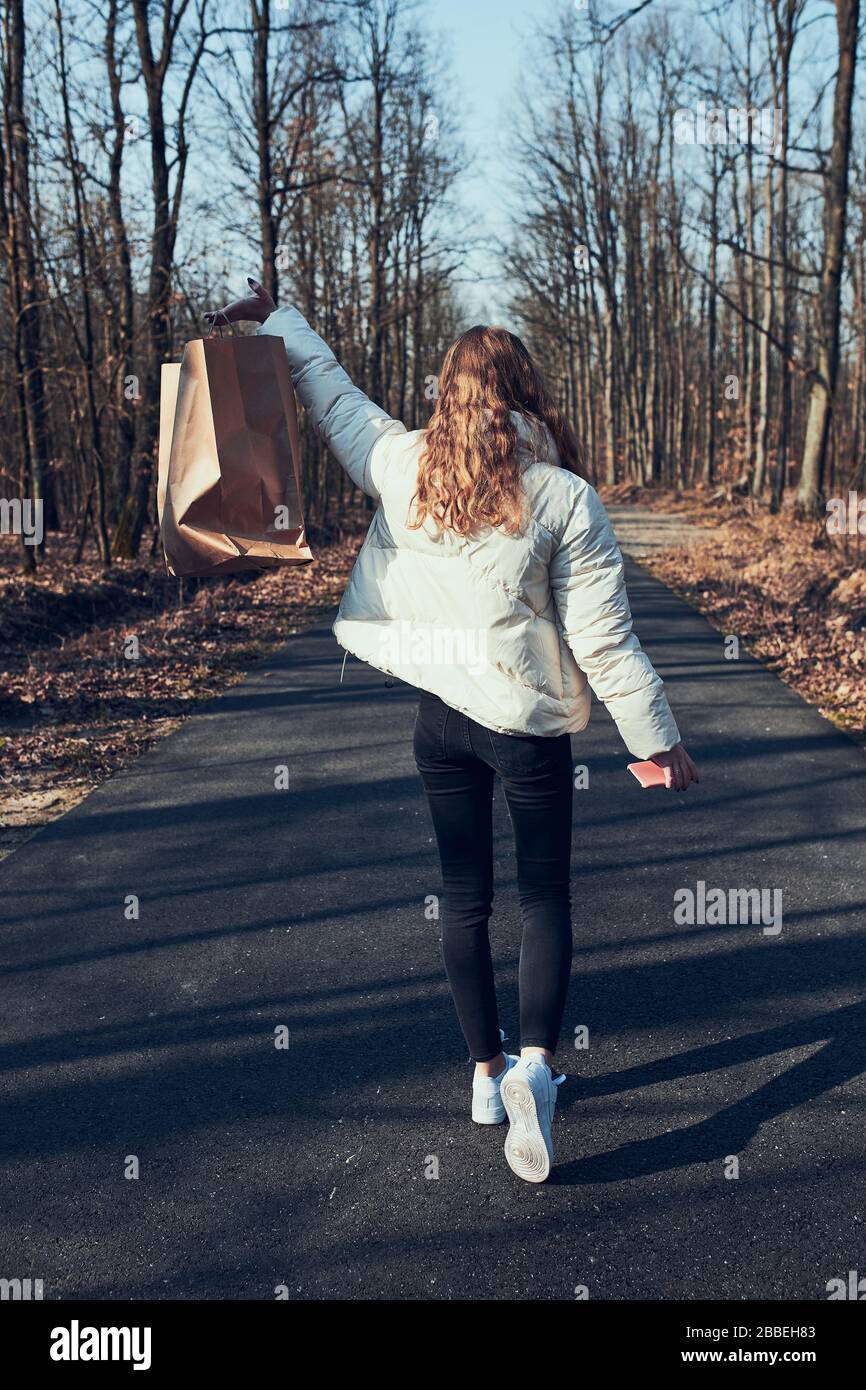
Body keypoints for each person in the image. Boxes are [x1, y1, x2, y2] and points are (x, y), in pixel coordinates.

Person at [205, 278, 699, 1184]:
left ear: (447, 393)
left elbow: (330, 392)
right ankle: (539, 1068)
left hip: (439, 726)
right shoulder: (563, 497)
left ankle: (484, 1074)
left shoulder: (401, 466)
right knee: (543, 896)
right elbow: (602, 638)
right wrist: (652, 739)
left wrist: (277, 316)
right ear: (528, 395)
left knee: (463, 899)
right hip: (525, 726)